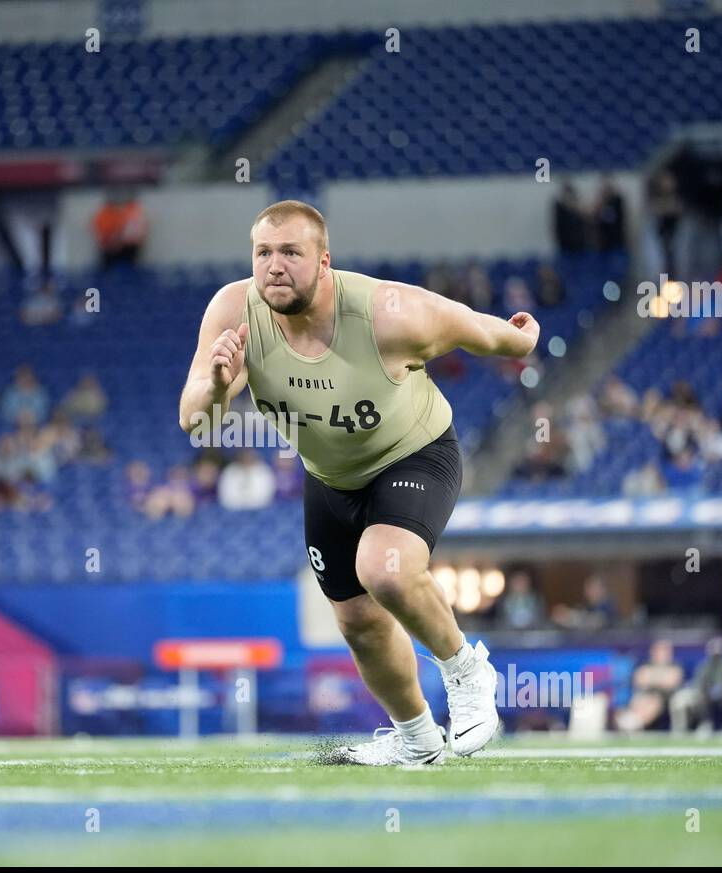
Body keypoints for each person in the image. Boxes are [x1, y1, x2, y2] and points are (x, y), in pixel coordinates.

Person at [178, 200, 540, 764]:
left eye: (290, 253)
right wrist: (220, 384)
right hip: (330, 478)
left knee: (384, 567)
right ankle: (418, 741)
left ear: (325, 262)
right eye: (263, 253)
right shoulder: (233, 310)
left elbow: (478, 331)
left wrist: (520, 338)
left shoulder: (387, 313)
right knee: (357, 622)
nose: (274, 266)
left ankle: (467, 673)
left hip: (414, 455)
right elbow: (195, 418)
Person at [614, 639, 685, 732]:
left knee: (653, 702)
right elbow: (639, 680)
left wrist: (651, 678)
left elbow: (671, 681)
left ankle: (635, 724)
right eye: (658, 651)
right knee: (639, 699)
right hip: (645, 695)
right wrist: (660, 678)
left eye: (664, 651)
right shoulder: (644, 664)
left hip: (665, 699)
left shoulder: (675, 665)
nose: (660, 654)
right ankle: (631, 721)